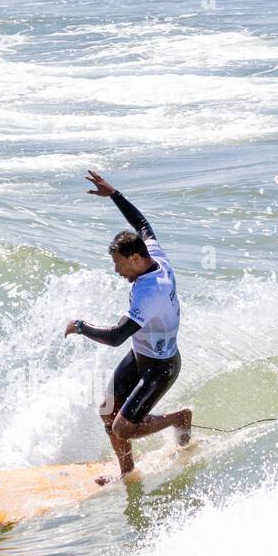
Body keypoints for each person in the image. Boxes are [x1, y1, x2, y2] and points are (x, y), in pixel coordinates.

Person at [65, 170, 191, 481]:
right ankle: (127, 472)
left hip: (161, 366)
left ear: (135, 258)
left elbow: (117, 336)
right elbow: (143, 225)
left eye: (118, 263)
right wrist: (115, 195)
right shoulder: (155, 255)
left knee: (123, 427)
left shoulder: (151, 291)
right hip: (140, 355)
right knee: (107, 411)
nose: (116, 270)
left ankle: (179, 418)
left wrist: (81, 326)